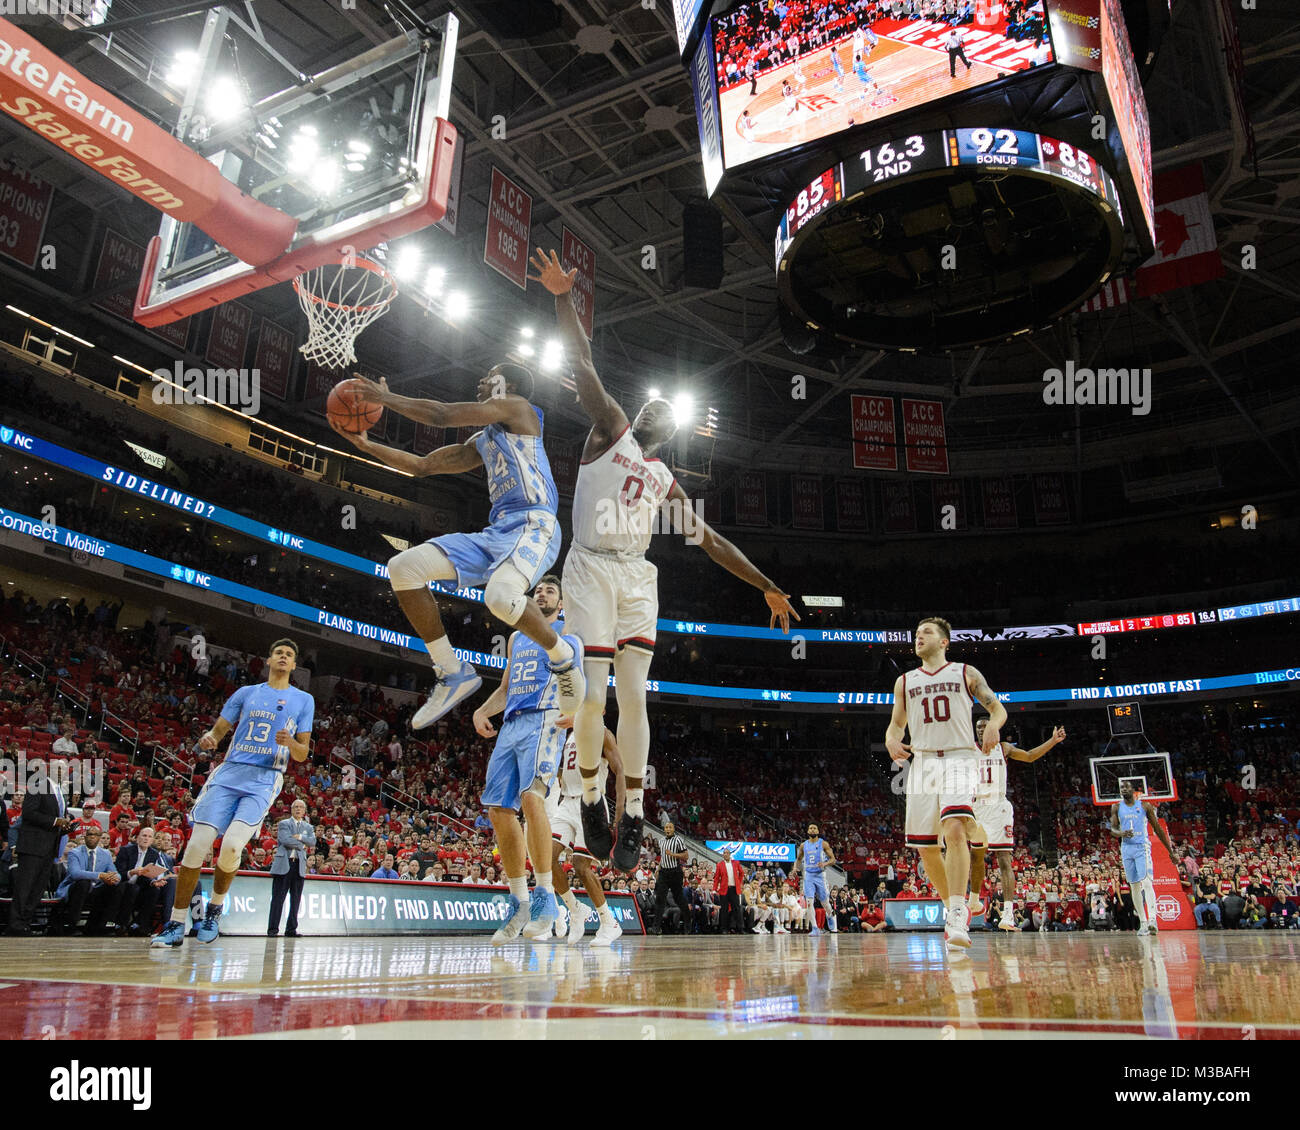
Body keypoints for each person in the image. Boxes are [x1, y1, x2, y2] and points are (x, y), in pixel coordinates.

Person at [528, 247, 798, 873]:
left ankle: (636, 806)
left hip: (635, 575)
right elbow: (581, 361)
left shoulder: (663, 478)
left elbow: (708, 540)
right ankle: (592, 797)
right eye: (655, 406)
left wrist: (768, 585)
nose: (655, 411)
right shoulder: (611, 428)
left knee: (636, 695)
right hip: (590, 567)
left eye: (665, 415)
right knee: (594, 694)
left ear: (669, 435)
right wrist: (563, 297)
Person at [332, 370, 585, 729]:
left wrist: (385, 398)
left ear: (507, 385)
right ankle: (452, 671)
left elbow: (442, 415)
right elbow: (423, 467)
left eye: (491, 375)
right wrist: (367, 445)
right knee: (403, 567)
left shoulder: (520, 409)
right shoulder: (484, 440)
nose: (480, 380)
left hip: (535, 524)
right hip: (496, 530)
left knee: (499, 596)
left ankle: (562, 657)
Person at [152, 638, 314, 947]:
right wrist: (209, 739)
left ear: (294, 665)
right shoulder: (246, 693)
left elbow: (303, 754)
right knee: (197, 845)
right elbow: (218, 730)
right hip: (229, 771)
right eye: (278, 652)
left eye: (289, 655)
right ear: (269, 660)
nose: (282, 657)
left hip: (265, 778)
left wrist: (290, 742)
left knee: (231, 846)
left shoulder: (304, 699)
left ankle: (214, 910)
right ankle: (175, 923)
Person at [885, 616, 1007, 954]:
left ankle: (956, 911)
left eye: (926, 632)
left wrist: (995, 724)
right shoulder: (904, 681)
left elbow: (997, 708)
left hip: (958, 756)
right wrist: (891, 740)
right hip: (922, 761)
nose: (918, 637)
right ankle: (953, 905)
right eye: (916, 633)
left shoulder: (966, 672)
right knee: (925, 847)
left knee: (953, 827)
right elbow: (896, 725)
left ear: (944, 642)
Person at [469, 575, 569, 943]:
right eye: (537, 589)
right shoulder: (515, 638)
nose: (541, 593)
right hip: (511, 724)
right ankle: (519, 899)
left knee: (532, 796)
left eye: (550, 591)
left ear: (561, 604)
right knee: (497, 809)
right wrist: (483, 710)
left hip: (546, 717)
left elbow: (585, 675)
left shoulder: (568, 629)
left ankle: (546, 896)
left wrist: (581, 709)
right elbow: (506, 688)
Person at [967, 719, 1066, 931]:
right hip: (977, 807)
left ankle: (1009, 915)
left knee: (1004, 859)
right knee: (976, 856)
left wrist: (1052, 741)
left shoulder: (1004, 748)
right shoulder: (969, 748)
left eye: (985, 727)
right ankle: (974, 901)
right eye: (978, 728)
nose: (981, 731)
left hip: (999, 806)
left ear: (995, 730)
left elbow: (1029, 756)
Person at [542, 726, 625, 946]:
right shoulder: (570, 734)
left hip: (591, 802)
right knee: (544, 859)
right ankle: (575, 909)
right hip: (566, 802)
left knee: (581, 866)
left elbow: (620, 770)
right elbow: (568, 770)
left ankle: (609, 922)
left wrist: (620, 813)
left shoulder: (603, 733)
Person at [1108, 780, 1177, 936]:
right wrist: (1121, 834)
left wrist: (1170, 852)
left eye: (1126, 787)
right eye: (1121, 787)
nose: (1123, 789)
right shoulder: (1116, 807)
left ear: (1134, 790)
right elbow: (1112, 829)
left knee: (1146, 881)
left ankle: (1153, 919)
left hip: (1142, 847)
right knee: (1134, 886)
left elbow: (1158, 829)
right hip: (1126, 849)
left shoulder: (1145, 806)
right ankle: (1143, 922)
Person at [6, 774, 74, 935]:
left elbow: (58, 818)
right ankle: (15, 925)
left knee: (37, 889)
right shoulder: (39, 786)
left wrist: (65, 825)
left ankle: (25, 924)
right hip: (33, 846)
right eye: (60, 768)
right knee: (25, 888)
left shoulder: (60, 792)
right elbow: (29, 813)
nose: (63, 772)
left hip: (50, 848)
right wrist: (55, 821)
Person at [56, 824, 121, 935]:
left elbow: (116, 874)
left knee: (114, 887)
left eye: (95, 835)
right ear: (85, 837)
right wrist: (100, 875)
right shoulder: (74, 852)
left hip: (95, 889)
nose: (92, 837)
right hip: (75, 888)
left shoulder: (106, 854)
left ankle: (97, 926)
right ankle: (72, 925)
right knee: (84, 883)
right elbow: (75, 874)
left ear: (99, 838)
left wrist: (113, 878)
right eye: (90, 834)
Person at [268, 798, 314, 937]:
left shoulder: (308, 827)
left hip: (299, 865)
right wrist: (302, 844)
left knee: (296, 900)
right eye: (295, 807)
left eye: (301, 807)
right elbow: (285, 840)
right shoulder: (284, 824)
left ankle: (291, 929)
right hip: (284, 864)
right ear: (292, 809)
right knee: (278, 899)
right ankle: (273, 930)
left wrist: (299, 836)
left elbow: (312, 841)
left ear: (304, 811)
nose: (298, 809)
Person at [113, 825, 167, 936]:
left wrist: (153, 881)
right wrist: (132, 872)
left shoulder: (154, 853)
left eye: (149, 837)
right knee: (133, 888)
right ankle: (121, 924)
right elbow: (119, 872)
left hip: (141, 885)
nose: (146, 839)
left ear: (152, 840)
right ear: (138, 838)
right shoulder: (125, 850)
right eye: (144, 836)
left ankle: (139, 924)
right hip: (125, 884)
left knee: (155, 890)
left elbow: (147, 876)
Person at [796, 823, 838, 934]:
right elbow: (799, 859)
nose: (813, 830)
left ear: (818, 831)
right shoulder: (803, 845)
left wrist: (825, 863)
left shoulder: (823, 844)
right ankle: (815, 928)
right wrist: (796, 868)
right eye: (810, 828)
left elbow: (833, 859)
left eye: (815, 828)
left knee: (824, 902)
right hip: (808, 875)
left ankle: (829, 914)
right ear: (808, 831)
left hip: (820, 875)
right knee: (809, 902)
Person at [650, 821, 689, 935]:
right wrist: (658, 869)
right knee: (660, 899)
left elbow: (686, 856)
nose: (667, 829)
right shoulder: (661, 841)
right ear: (664, 829)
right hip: (664, 872)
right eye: (666, 827)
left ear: (673, 829)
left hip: (675, 872)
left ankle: (687, 924)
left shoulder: (678, 840)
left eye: (670, 827)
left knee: (679, 899)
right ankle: (656, 927)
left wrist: (673, 854)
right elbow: (663, 857)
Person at [713, 847, 746, 934]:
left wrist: (738, 882)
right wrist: (714, 889)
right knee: (724, 910)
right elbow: (716, 878)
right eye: (724, 853)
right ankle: (723, 928)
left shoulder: (736, 863)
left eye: (727, 853)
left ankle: (740, 928)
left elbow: (742, 873)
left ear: (730, 854)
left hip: (734, 889)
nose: (725, 854)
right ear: (723, 854)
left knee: (737, 909)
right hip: (724, 889)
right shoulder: (719, 865)